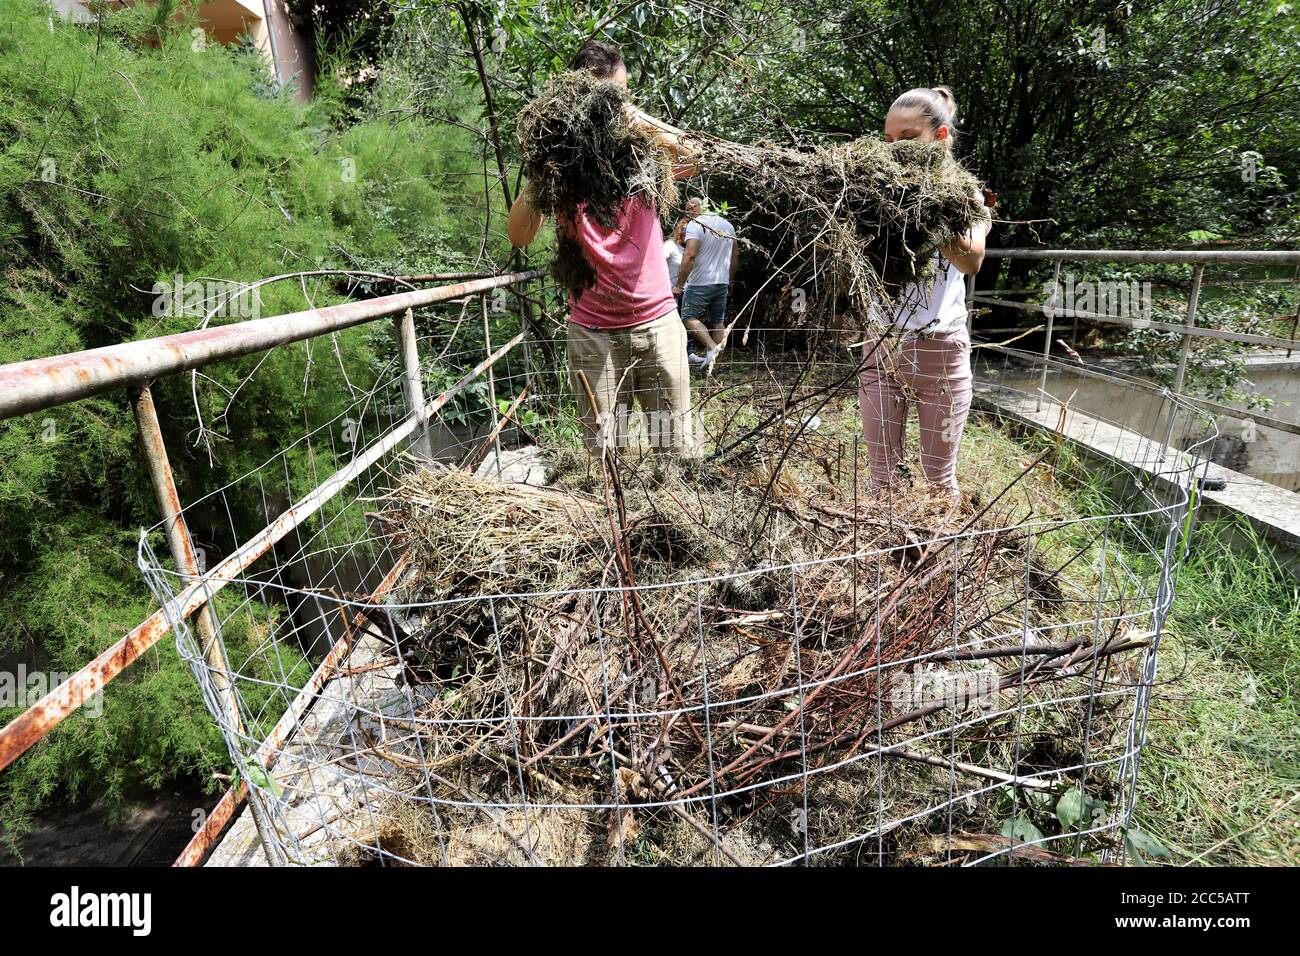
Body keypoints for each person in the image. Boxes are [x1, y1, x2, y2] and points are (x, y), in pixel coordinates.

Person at [508, 40, 699, 454]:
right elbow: (519, 235)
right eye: (612, 94)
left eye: (624, 94)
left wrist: (638, 119)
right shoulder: (561, 169)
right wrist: (543, 165)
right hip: (594, 337)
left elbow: (696, 157)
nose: (619, 103)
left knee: (677, 453)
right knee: (604, 459)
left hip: (658, 327)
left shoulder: (643, 156)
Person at [858, 86, 992, 498]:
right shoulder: (874, 195)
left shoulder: (966, 196)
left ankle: (941, 559)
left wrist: (928, 207)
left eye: (908, 137)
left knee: (939, 479)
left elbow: (971, 261)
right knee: (883, 478)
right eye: (889, 140)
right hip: (882, 348)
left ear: (940, 137)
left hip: (942, 353)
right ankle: (885, 554)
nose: (895, 150)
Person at [673, 197, 738, 366]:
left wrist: (679, 285)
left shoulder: (696, 225)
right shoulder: (727, 225)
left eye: (688, 209)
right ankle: (715, 362)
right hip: (721, 282)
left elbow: (690, 255)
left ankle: (712, 349)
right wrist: (730, 280)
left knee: (688, 318)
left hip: (700, 282)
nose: (687, 213)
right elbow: (735, 255)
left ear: (693, 208)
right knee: (717, 320)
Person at [664, 219, 687, 311]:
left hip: (687, 295)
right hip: (670, 294)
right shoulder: (670, 245)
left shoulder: (693, 249)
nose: (688, 233)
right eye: (685, 230)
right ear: (680, 230)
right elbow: (658, 265)